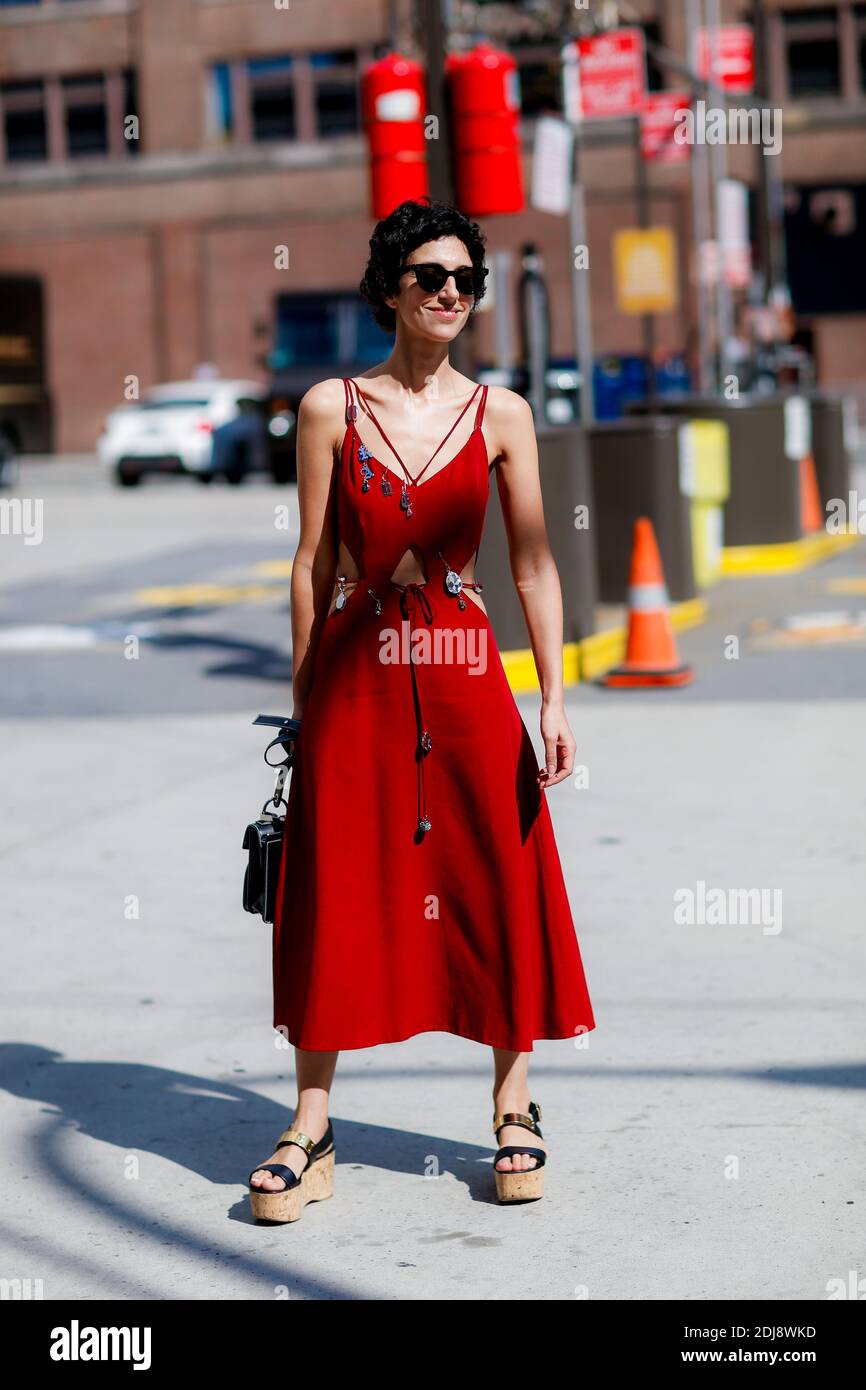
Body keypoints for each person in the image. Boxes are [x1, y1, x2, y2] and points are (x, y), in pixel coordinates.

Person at [248, 198, 596, 1220]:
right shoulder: (330, 409)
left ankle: (512, 1105)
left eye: (464, 280)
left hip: (464, 675)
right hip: (357, 679)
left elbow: (530, 562)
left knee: (493, 872)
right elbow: (312, 564)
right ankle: (309, 1124)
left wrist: (552, 695)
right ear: (388, 289)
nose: (450, 292)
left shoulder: (500, 414)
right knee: (339, 884)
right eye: (430, 276)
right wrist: (304, 697)